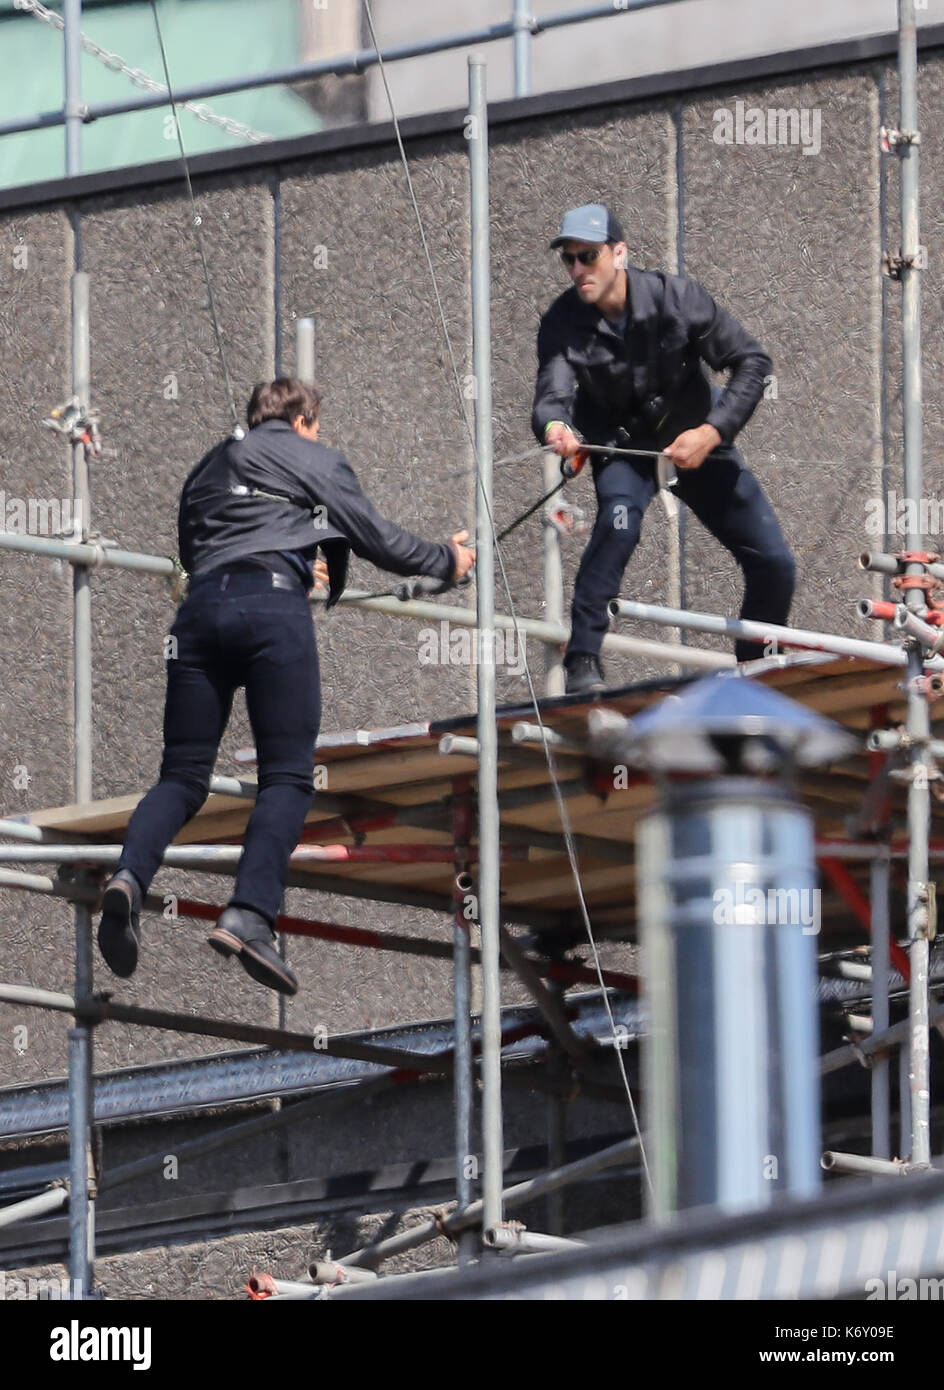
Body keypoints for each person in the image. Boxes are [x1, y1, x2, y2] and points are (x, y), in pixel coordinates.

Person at [96, 378, 475, 995]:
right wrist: (445, 561)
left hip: (198, 617)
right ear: (303, 421)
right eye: (317, 428)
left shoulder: (204, 468)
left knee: (182, 778)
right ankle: (249, 914)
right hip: (271, 612)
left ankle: (130, 879)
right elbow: (375, 536)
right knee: (289, 777)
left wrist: (300, 554)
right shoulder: (309, 455)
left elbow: (203, 548)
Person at [532, 203, 795, 694]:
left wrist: (712, 432)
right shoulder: (562, 322)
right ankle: (583, 658)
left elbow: (752, 362)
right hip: (620, 446)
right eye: (568, 260)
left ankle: (756, 662)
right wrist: (556, 429)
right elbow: (552, 393)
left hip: (695, 435)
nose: (578, 270)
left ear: (620, 253)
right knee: (619, 524)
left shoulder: (679, 298)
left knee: (775, 562)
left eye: (588, 256)